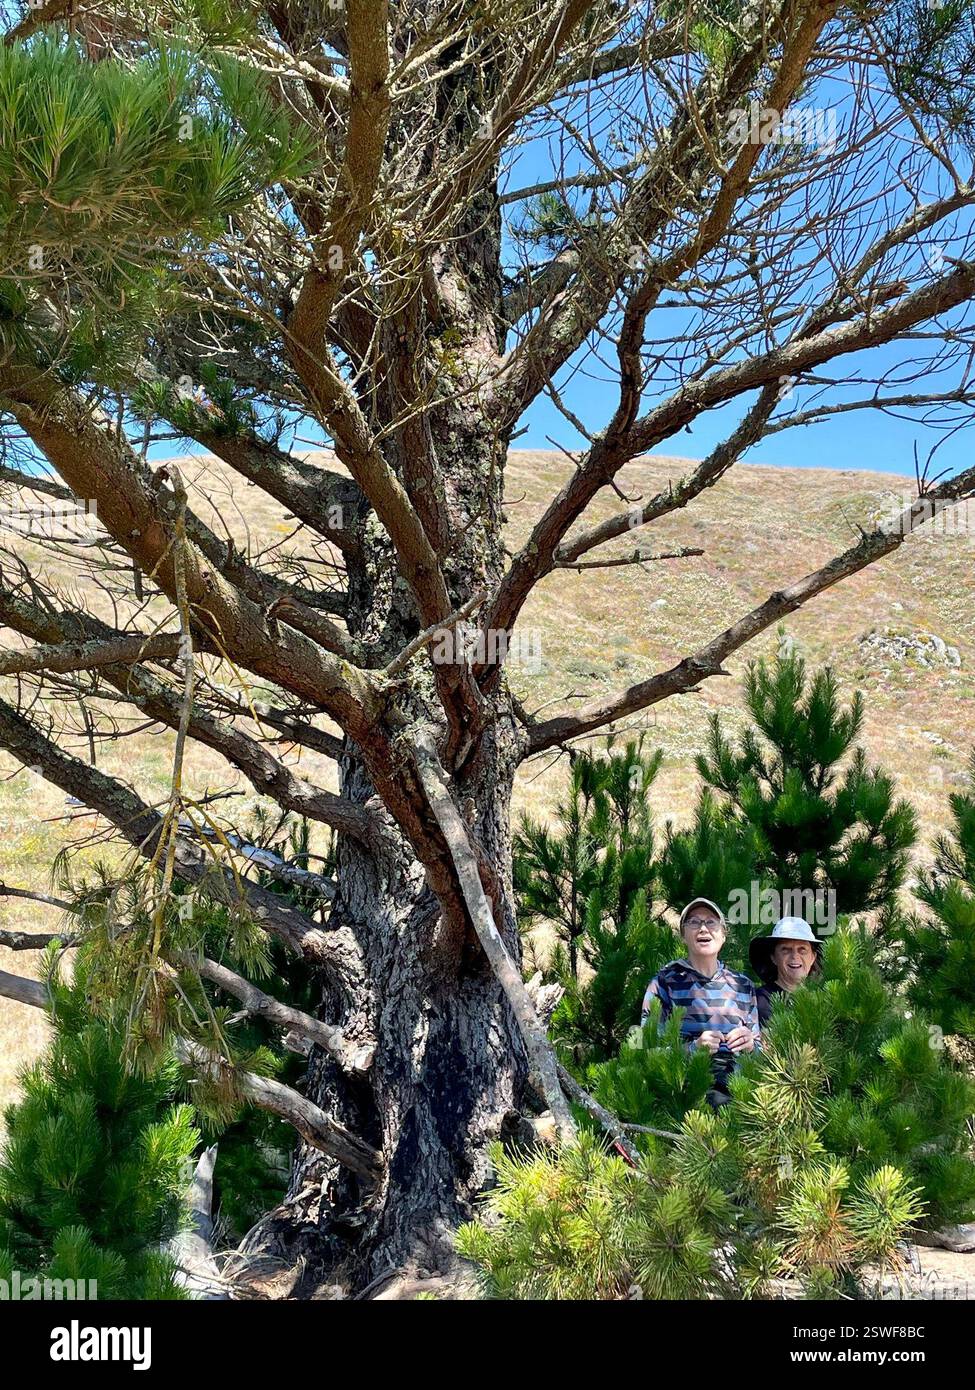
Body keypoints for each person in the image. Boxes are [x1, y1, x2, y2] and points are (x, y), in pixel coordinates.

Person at [641, 897, 760, 1107]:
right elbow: (647, 1049)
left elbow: (760, 1047)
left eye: (711, 922)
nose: (703, 928)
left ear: (723, 935)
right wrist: (693, 1049)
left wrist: (750, 1045)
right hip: (687, 1092)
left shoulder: (743, 985)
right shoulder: (663, 982)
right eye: (694, 922)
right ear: (684, 936)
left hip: (740, 1091)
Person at [748, 916, 822, 1024]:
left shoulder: (822, 999)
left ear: (812, 958)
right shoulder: (760, 1001)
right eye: (786, 950)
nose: (795, 956)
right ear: (773, 957)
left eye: (802, 950)